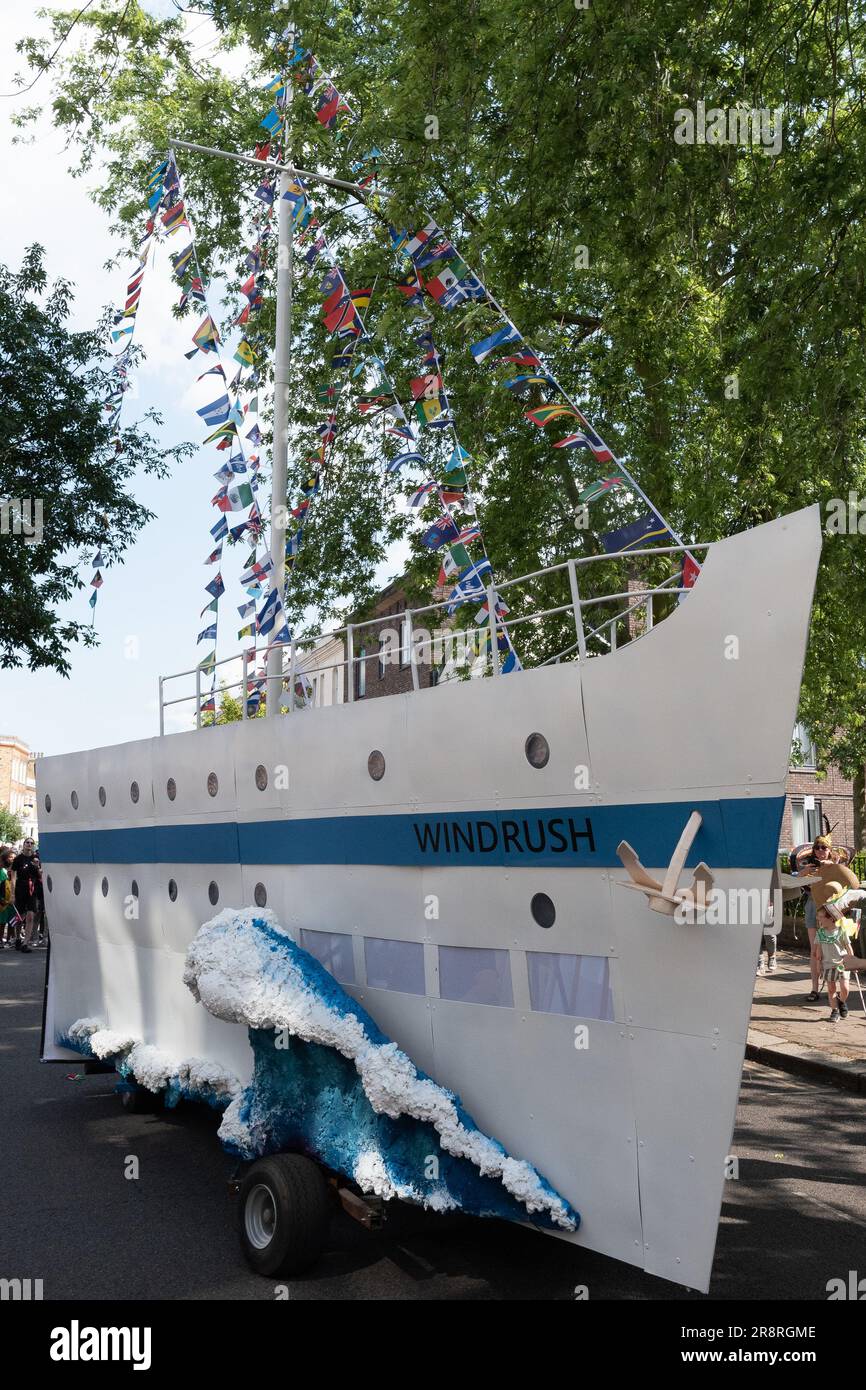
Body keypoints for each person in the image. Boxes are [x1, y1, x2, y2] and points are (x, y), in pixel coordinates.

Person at [797, 834, 834, 1001]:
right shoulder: (809, 866)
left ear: (829, 850)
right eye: (817, 847)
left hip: (830, 908)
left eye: (824, 847)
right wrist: (803, 873)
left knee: (831, 951)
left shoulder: (835, 866)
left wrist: (832, 867)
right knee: (814, 950)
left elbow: (846, 882)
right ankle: (814, 989)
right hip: (813, 906)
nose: (820, 851)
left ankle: (833, 988)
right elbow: (795, 882)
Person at [815, 894, 855, 1022]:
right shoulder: (820, 933)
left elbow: (849, 949)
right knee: (831, 988)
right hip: (827, 964)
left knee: (845, 988)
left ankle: (841, 1002)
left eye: (821, 917)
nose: (818, 919)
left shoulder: (841, 932)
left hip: (842, 963)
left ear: (831, 919)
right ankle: (834, 1011)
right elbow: (818, 952)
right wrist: (818, 966)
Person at [11, 838, 43, 954]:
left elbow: (39, 875)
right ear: (24, 845)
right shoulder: (18, 859)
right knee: (20, 917)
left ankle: (25, 943)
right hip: (20, 889)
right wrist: (12, 894)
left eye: (31, 843)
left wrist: (37, 867)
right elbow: (13, 877)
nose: (29, 844)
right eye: (27, 843)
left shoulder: (36, 858)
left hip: (32, 890)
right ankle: (18, 938)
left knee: (30, 916)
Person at [0, 846, 17, 948]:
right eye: (10, 857)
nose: (12, 859)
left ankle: (7, 939)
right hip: (2, 901)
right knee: (1, 922)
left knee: (6, 921)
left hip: (6, 902)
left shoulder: (5, 870)